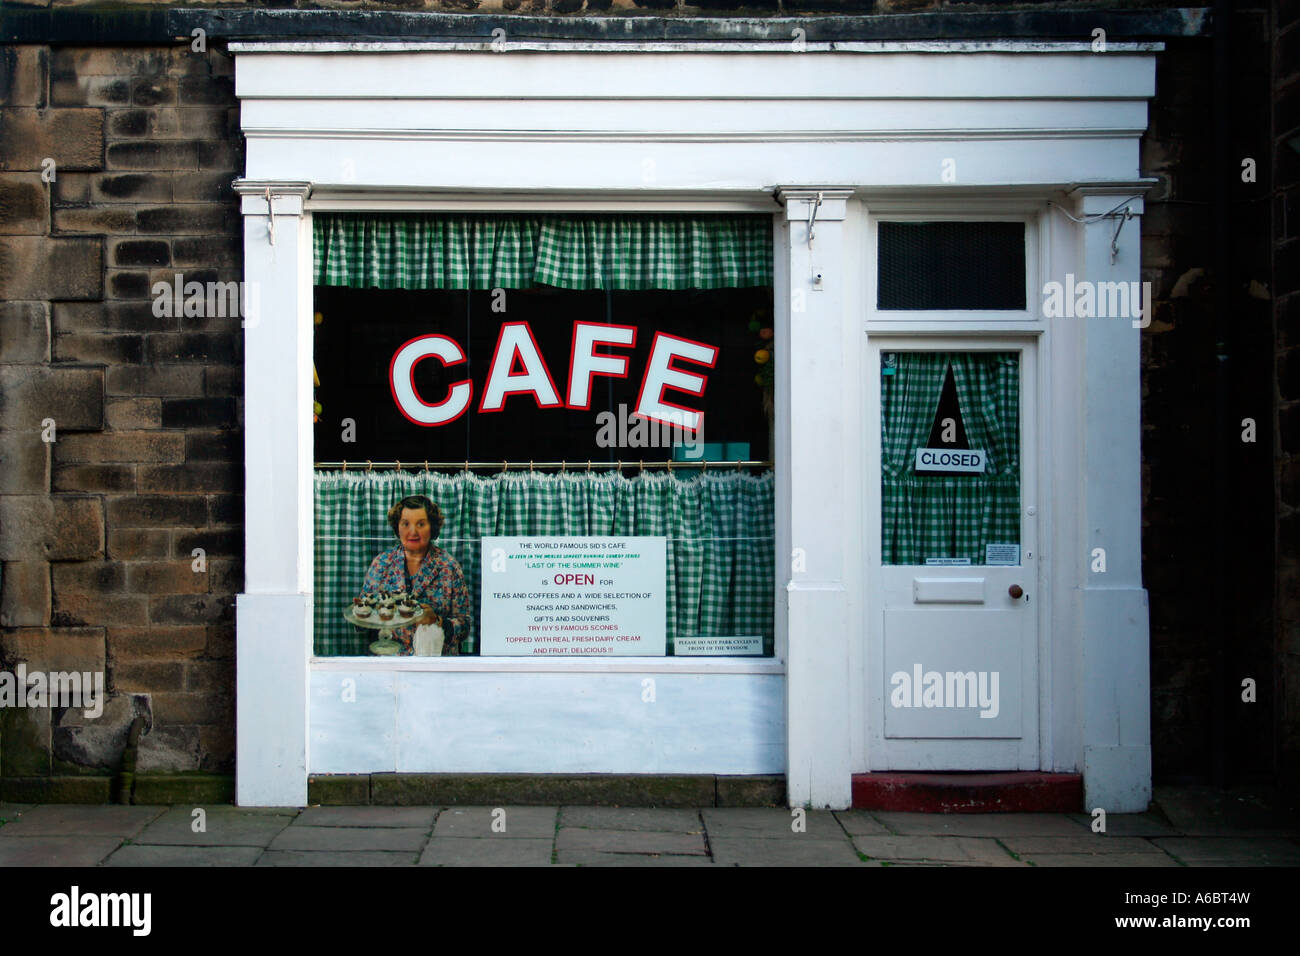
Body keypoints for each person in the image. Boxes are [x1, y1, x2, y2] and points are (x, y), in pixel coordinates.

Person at [360, 495, 470, 655]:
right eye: (406, 523)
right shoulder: (381, 563)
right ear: (397, 527)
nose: (412, 531)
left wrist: (437, 621)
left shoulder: (449, 566)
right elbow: (363, 617)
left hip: (435, 664)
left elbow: (465, 626)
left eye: (421, 524)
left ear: (432, 527)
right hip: (391, 666)